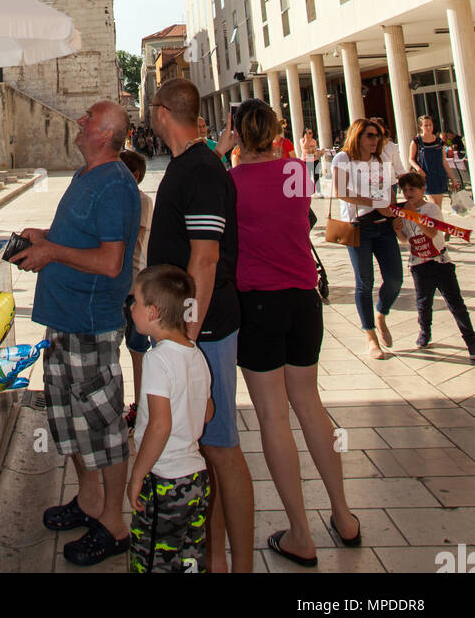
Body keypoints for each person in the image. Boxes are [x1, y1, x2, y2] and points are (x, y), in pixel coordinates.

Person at [218, 100, 360, 566]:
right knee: (309, 404)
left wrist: (223, 154)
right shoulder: (297, 172)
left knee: (273, 416)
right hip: (304, 299)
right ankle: (343, 515)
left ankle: (301, 533)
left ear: (237, 132)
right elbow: (298, 216)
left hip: (259, 301)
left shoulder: (231, 182)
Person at [13, 100, 140, 566]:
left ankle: (113, 522)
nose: (81, 122)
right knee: (71, 422)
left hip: (90, 324)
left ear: (105, 134)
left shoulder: (113, 185)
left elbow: (110, 262)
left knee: (103, 427)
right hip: (65, 320)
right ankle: (88, 501)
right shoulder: (89, 175)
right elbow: (80, 238)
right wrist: (44, 238)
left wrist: (51, 253)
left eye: (90, 118)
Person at [146, 78, 254, 573]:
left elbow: (205, 260)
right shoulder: (191, 163)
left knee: (220, 446)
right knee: (202, 449)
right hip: (193, 334)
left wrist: (187, 338)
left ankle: (241, 565)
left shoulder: (202, 171)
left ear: (163, 112)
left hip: (204, 333)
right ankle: (213, 560)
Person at [126, 265, 213, 573]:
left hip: (164, 481)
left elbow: (159, 425)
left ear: (153, 312)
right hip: (196, 480)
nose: (131, 308)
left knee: (152, 561)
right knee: (190, 560)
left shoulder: (156, 359)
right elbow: (208, 411)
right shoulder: (195, 353)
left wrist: (138, 474)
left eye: (135, 302)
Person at [332, 119, 403, 360]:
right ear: (358, 136)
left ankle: (381, 312)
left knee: (395, 279)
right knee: (364, 282)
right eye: (371, 136)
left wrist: (393, 210)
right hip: (359, 226)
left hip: (384, 226)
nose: (375, 141)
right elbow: (342, 192)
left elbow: (390, 188)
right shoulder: (343, 159)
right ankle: (370, 335)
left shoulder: (381, 159)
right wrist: (376, 204)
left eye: (378, 136)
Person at [396, 171, 475, 361]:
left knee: (456, 303)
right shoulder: (403, 212)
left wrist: (415, 216)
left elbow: (431, 233)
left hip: (440, 262)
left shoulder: (431, 209)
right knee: (423, 303)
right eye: (405, 190)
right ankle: (425, 332)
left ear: (422, 189)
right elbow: (406, 240)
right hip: (419, 265)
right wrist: (397, 229)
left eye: (412, 189)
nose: (408, 193)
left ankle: (471, 340)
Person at [120, 148, 154, 427]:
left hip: (134, 287)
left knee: (138, 349)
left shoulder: (141, 202)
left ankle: (142, 406)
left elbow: (130, 238)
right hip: (117, 286)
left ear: (134, 176)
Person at [409, 115, 461, 213]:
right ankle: (436, 226)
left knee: (438, 207)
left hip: (439, 176)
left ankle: (438, 226)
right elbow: (411, 159)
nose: (428, 127)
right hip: (426, 177)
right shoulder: (416, 141)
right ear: (421, 127)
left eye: (430, 125)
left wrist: (453, 179)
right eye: (425, 125)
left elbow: (444, 162)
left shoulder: (439, 141)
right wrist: (419, 169)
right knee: (433, 205)